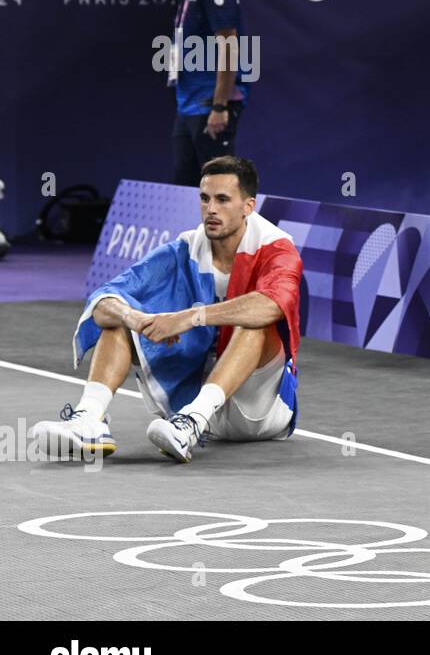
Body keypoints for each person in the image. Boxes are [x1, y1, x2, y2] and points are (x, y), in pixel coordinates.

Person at [31, 157, 302, 464]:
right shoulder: (185, 248)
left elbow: (271, 305)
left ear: (248, 206)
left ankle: (193, 422)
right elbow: (103, 300)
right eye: (204, 198)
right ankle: (89, 420)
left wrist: (188, 318)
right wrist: (137, 319)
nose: (211, 209)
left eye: (222, 200)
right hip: (189, 399)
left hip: (257, 410)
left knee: (254, 320)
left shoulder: (277, 247)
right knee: (119, 316)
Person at [152, 0, 248, 187]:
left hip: (210, 104)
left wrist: (219, 106)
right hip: (188, 102)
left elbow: (229, 45)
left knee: (217, 188)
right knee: (185, 186)